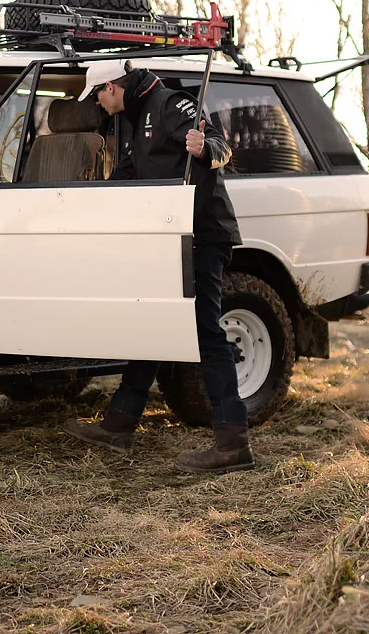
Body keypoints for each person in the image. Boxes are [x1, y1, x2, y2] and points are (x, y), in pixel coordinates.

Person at [60, 58, 252, 474]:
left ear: (111, 87)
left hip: (201, 234)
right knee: (153, 326)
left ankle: (233, 442)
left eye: (96, 94)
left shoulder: (169, 104)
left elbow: (221, 145)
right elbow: (127, 179)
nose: (96, 102)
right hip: (164, 235)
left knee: (205, 332)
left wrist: (205, 149)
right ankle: (120, 424)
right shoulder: (129, 120)